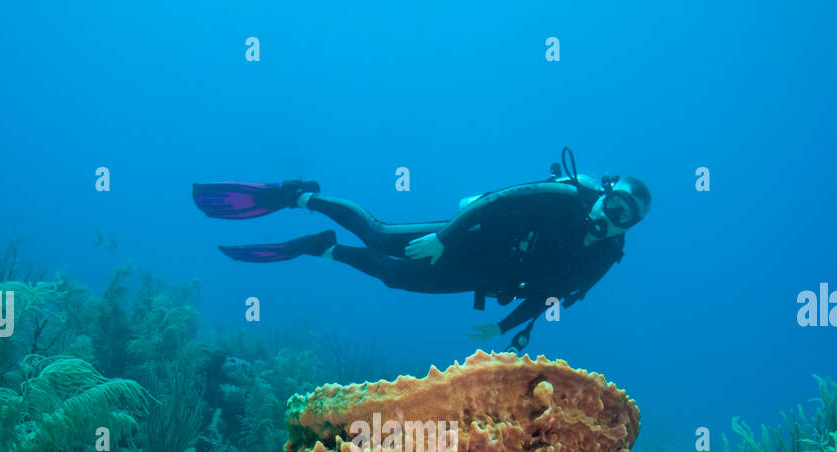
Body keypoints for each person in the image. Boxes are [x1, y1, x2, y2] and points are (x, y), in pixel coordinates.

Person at [192, 148, 651, 351]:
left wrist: (501, 326)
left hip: (482, 276)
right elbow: (498, 201)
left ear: (631, 224)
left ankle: (323, 248)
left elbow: (551, 296)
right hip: (465, 235)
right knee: (378, 234)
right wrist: (443, 238)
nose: (613, 216)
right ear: (605, 194)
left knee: (395, 278)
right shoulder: (567, 197)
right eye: (614, 204)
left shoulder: (604, 257)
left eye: (625, 216)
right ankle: (298, 196)